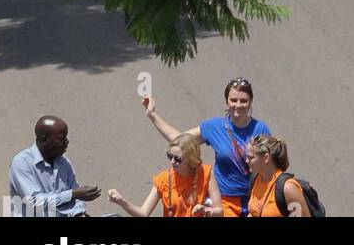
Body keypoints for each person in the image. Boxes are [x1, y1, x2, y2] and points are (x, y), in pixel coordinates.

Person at [141, 78, 271, 218]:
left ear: (251, 102)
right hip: (224, 201)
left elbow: (271, 166)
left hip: (255, 198)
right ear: (227, 101)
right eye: (233, 100)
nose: (238, 105)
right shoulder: (214, 126)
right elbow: (180, 140)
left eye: (243, 100)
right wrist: (152, 115)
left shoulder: (261, 129)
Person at [107, 134, 218, 218]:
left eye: (178, 159)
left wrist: (207, 210)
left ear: (190, 159)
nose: (173, 162)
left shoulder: (206, 173)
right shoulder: (163, 180)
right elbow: (143, 213)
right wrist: (122, 201)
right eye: (170, 156)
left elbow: (220, 211)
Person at [9, 116, 100, 217]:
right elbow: (34, 202)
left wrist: (79, 213)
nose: (67, 142)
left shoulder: (64, 162)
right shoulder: (22, 162)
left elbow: (76, 196)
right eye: (61, 138)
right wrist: (73, 194)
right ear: (44, 140)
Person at [247, 136, 312, 217]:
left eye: (250, 157)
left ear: (266, 158)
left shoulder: (288, 189)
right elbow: (254, 213)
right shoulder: (255, 179)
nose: (246, 160)